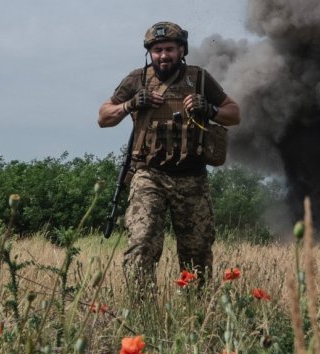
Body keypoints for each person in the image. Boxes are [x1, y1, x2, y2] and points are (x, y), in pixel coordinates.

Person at [98, 21, 240, 289]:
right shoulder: (137, 79)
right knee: (141, 244)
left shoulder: (198, 78)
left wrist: (209, 109)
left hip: (192, 178)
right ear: (149, 53)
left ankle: (196, 316)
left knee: (197, 254)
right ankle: (142, 314)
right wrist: (130, 104)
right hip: (148, 175)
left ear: (182, 50)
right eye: (157, 50)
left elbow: (234, 113)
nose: (163, 55)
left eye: (170, 49)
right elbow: (103, 117)